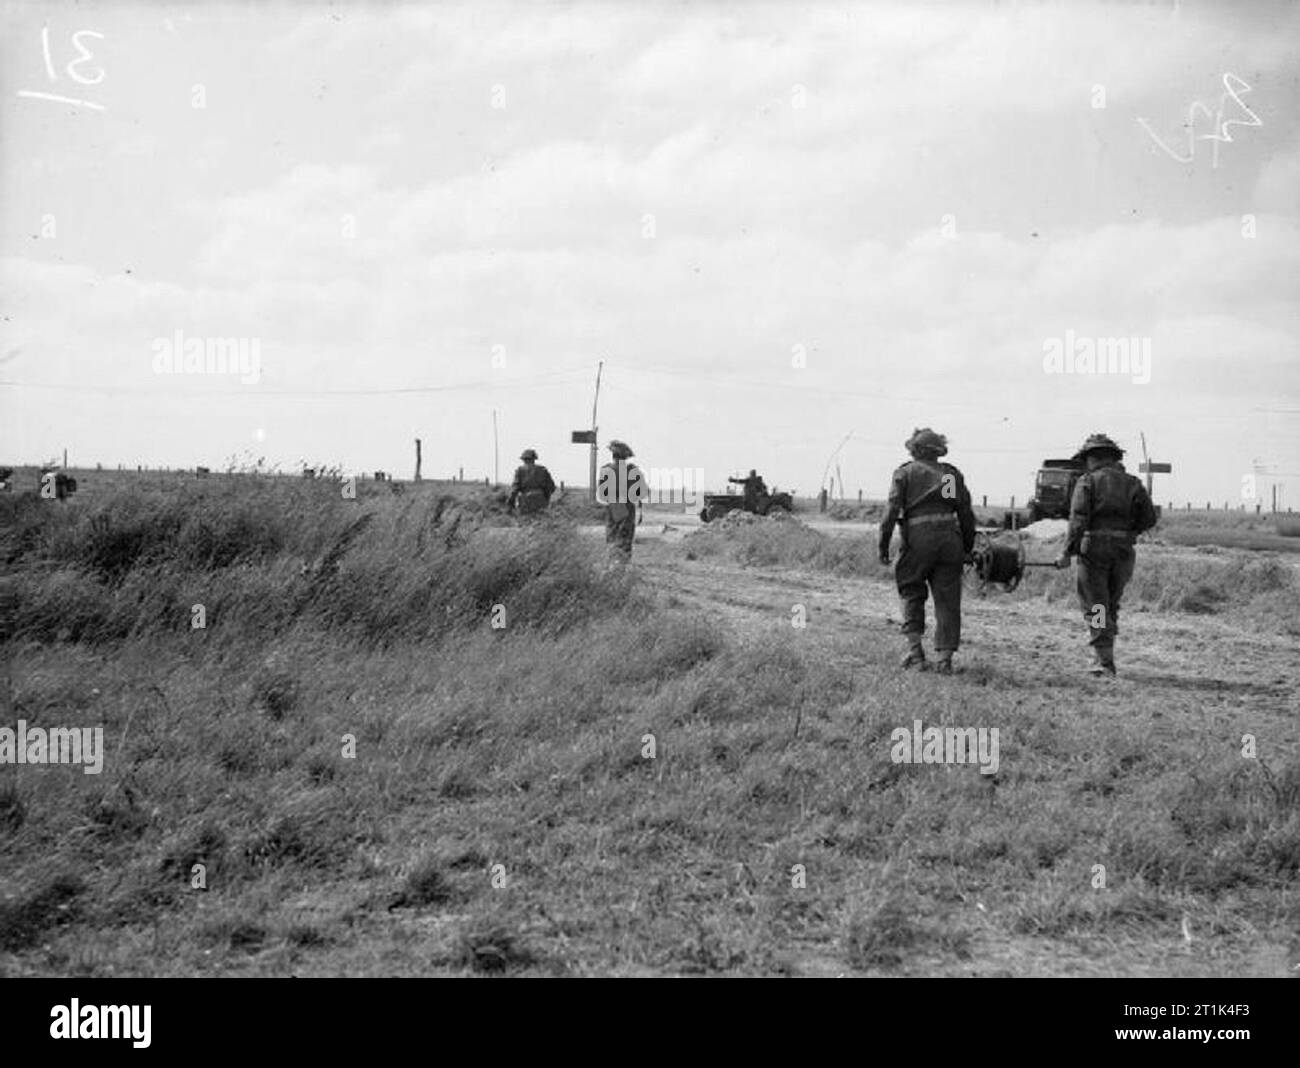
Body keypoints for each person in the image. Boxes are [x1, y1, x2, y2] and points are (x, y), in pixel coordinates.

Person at [1054, 433, 1159, 675]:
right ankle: (1105, 653)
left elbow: (1078, 520)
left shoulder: (1087, 482)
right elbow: (1149, 519)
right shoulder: (1133, 483)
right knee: (1110, 604)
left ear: (1092, 458)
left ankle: (1104, 660)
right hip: (1124, 550)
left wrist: (1067, 552)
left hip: (1094, 550)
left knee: (1096, 604)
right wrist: (1127, 532)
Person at [877, 428, 976, 674]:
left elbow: (890, 514)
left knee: (911, 590)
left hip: (918, 539)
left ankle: (916, 653)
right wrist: (966, 548)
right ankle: (945, 660)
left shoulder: (906, 473)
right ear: (938, 451)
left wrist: (883, 546)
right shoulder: (949, 476)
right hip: (949, 541)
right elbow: (964, 514)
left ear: (914, 450)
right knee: (947, 600)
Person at [597, 440, 646, 559]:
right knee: (625, 537)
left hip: (613, 505)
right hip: (628, 505)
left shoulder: (606, 469)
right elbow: (641, 492)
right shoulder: (633, 470)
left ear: (613, 456)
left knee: (612, 536)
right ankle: (622, 566)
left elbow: (602, 492)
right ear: (626, 457)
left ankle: (611, 563)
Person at [507, 449, 556, 517]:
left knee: (525, 522)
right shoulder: (543, 470)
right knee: (541, 522)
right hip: (540, 499)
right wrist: (546, 498)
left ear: (524, 459)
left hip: (525, 500)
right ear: (534, 459)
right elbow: (551, 487)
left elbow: (515, 488)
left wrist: (510, 502)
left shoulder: (520, 470)